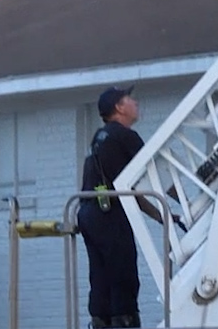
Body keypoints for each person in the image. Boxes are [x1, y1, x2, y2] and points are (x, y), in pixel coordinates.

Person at [77, 85, 144, 329]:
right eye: (129, 99)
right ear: (119, 107)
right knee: (123, 275)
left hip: (89, 212)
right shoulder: (125, 136)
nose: (135, 102)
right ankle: (124, 322)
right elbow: (149, 177)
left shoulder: (100, 137)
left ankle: (100, 322)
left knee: (101, 276)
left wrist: (160, 215)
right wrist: (178, 203)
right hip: (109, 214)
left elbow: (131, 188)